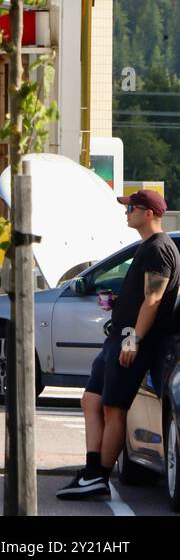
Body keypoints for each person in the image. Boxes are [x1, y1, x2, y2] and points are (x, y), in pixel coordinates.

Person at [57, 189, 180, 500]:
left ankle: (98, 477)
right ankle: (90, 470)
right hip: (118, 338)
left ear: (149, 213)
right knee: (91, 400)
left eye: (132, 208)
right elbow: (143, 296)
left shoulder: (159, 250)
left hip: (131, 342)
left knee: (114, 407)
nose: (127, 213)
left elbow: (153, 299)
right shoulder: (146, 247)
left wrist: (134, 339)